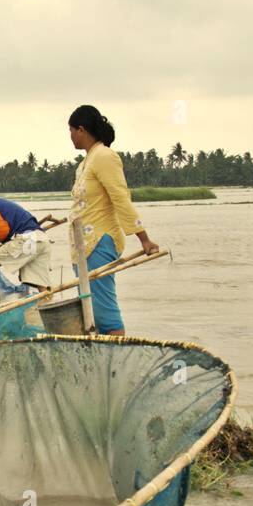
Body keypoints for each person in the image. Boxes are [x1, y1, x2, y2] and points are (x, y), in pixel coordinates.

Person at [67, 105, 159, 336]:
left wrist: (144, 240)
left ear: (81, 129)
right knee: (91, 311)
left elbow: (121, 198)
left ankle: (116, 365)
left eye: (71, 131)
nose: (70, 137)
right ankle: (101, 359)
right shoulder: (86, 162)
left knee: (105, 312)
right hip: (83, 246)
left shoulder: (105, 156)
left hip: (100, 241)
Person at [0, 182, 59, 297]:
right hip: (41, 239)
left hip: (27, 241)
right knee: (41, 285)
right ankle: (49, 307)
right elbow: (8, 233)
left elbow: (3, 231)